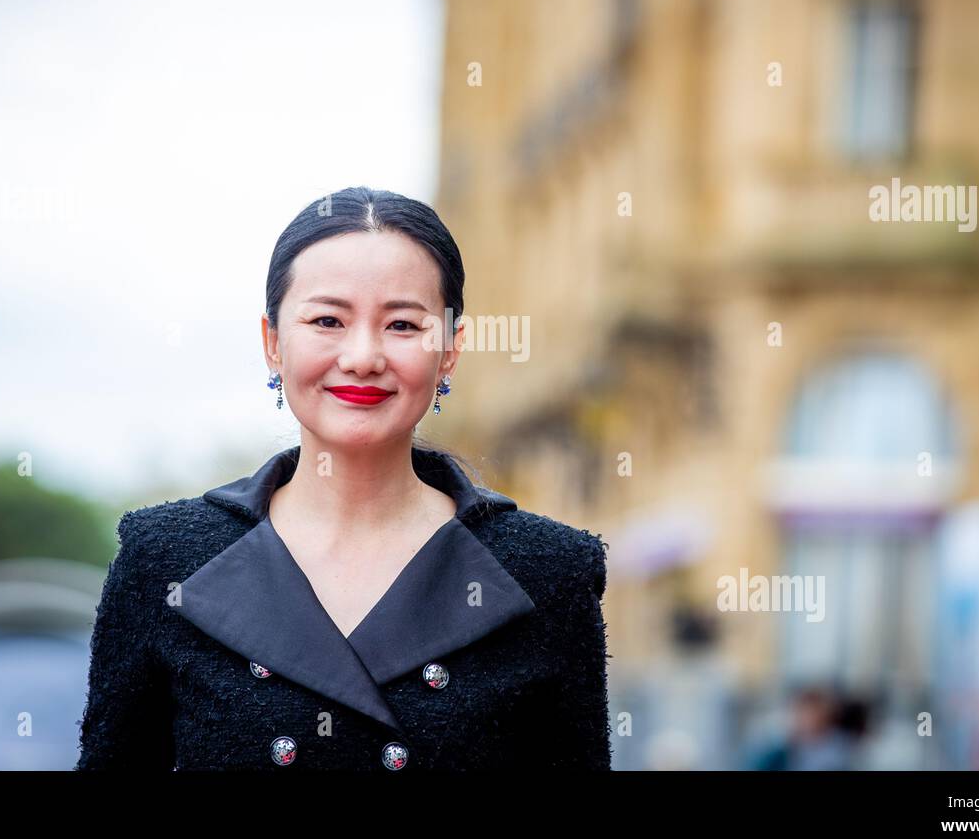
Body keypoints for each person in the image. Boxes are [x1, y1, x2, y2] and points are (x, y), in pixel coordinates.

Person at [75, 186, 612, 770]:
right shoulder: (164, 557)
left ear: (451, 350)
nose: (362, 357)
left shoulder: (549, 570)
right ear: (273, 342)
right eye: (327, 320)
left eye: (403, 325)